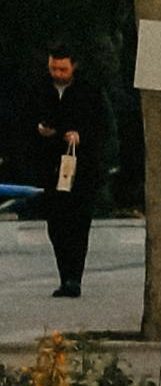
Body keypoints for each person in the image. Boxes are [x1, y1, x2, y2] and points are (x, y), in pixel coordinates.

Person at [30, 48, 96, 300]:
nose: (58, 74)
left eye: (63, 69)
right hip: (50, 166)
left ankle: (73, 277)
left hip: (82, 169)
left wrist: (80, 136)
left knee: (78, 225)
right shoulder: (40, 89)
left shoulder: (88, 91)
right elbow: (25, 120)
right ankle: (64, 273)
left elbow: (100, 126)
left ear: (74, 67)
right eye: (54, 69)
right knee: (56, 225)